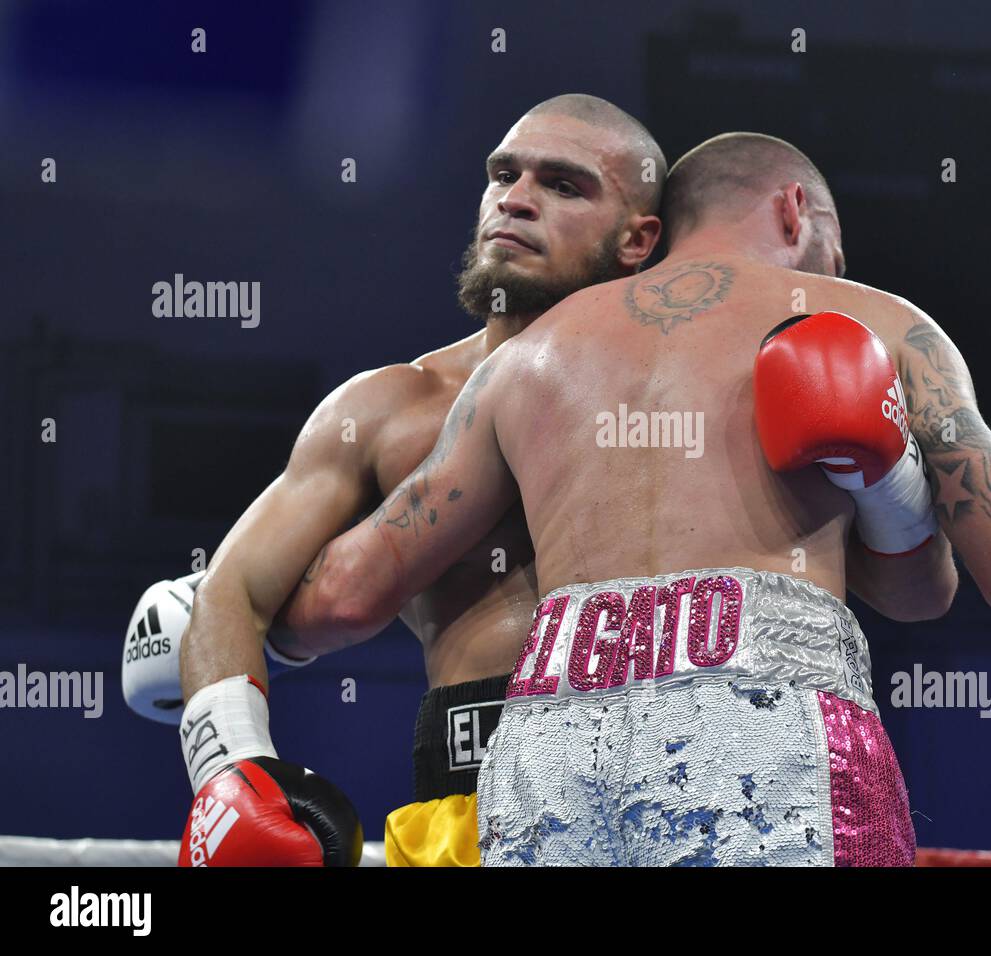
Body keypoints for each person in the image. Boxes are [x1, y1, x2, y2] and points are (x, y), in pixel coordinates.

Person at [200, 132, 991, 865]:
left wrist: (209, 643)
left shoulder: (523, 363)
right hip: (762, 717)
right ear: (794, 209)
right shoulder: (867, 315)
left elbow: (335, 595)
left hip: (538, 752)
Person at [126, 93, 666, 867]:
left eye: (563, 185)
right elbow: (229, 591)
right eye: (503, 175)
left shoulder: (684, 400)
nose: (515, 200)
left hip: (674, 789)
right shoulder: (390, 408)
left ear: (637, 237)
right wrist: (231, 776)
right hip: (471, 809)